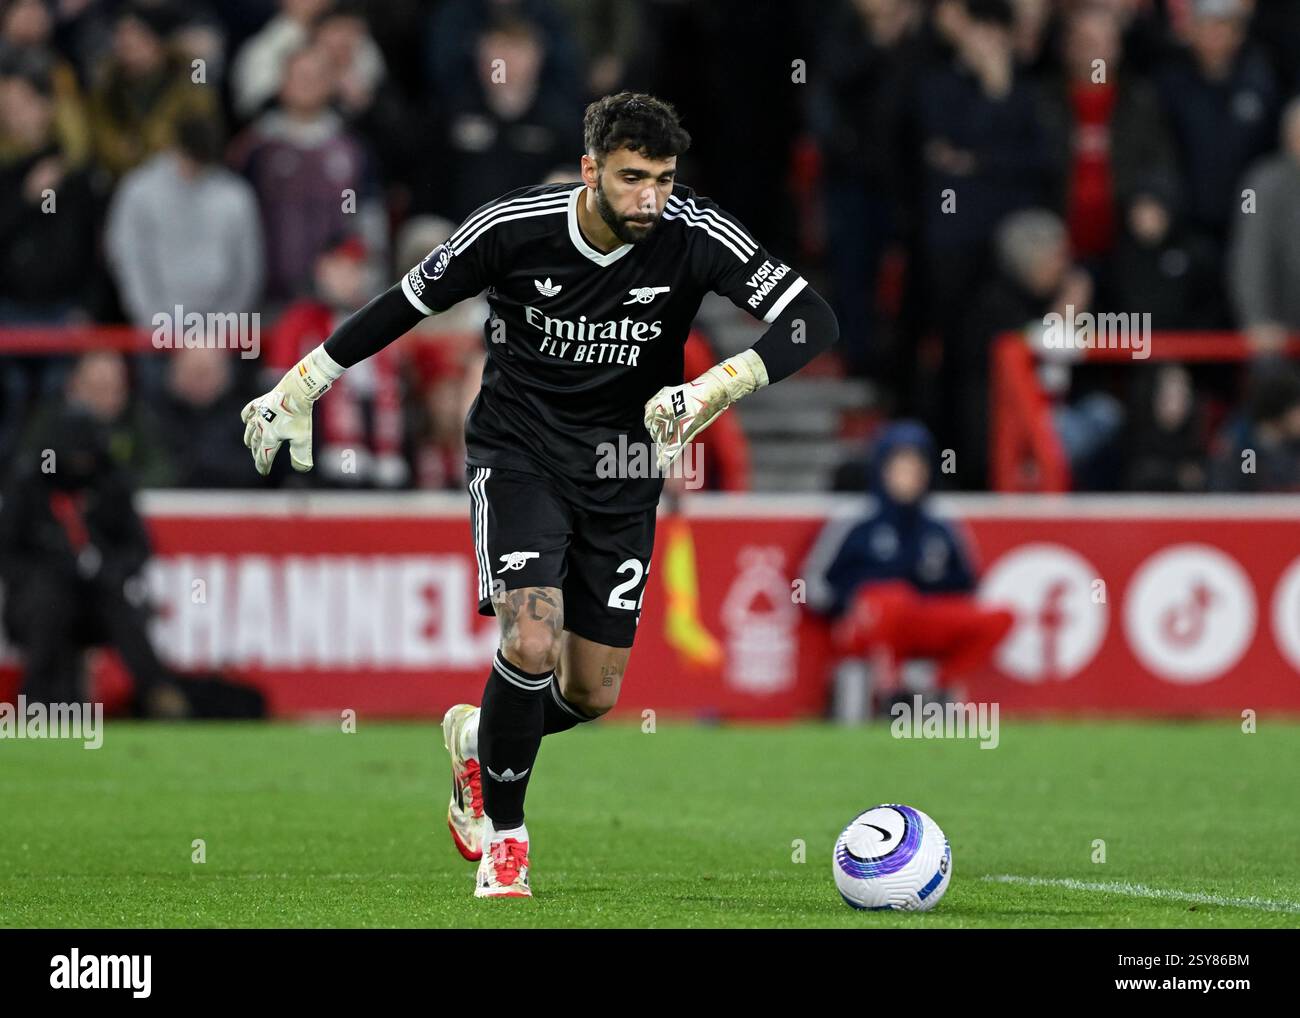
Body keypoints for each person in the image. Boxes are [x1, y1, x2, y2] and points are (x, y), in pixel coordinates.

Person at [238, 93, 839, 897]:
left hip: (624, 466)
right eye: (631, 179)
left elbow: (812, 319)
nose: (649, 200)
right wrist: (306, 380)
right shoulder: (511, 229)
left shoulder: (691, 231)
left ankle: (480, 739)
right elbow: (406, 304)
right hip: (519, 451)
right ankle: (506, 840)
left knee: (592, 690)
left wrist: (719, 385)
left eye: (662, 179)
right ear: (591, 171)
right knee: (530, 639)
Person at [805, 420, 1013, 713]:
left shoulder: (942, 523)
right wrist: (848, 604)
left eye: (916, 468)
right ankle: (891, 692)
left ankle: (930, 682)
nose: (908, 477)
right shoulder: (854, 519)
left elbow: (968, 584)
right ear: (882, 469)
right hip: (866, 622)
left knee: (1000, 616)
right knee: (890, 599)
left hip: (918, 618)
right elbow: (813, 584)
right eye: (900, 468)